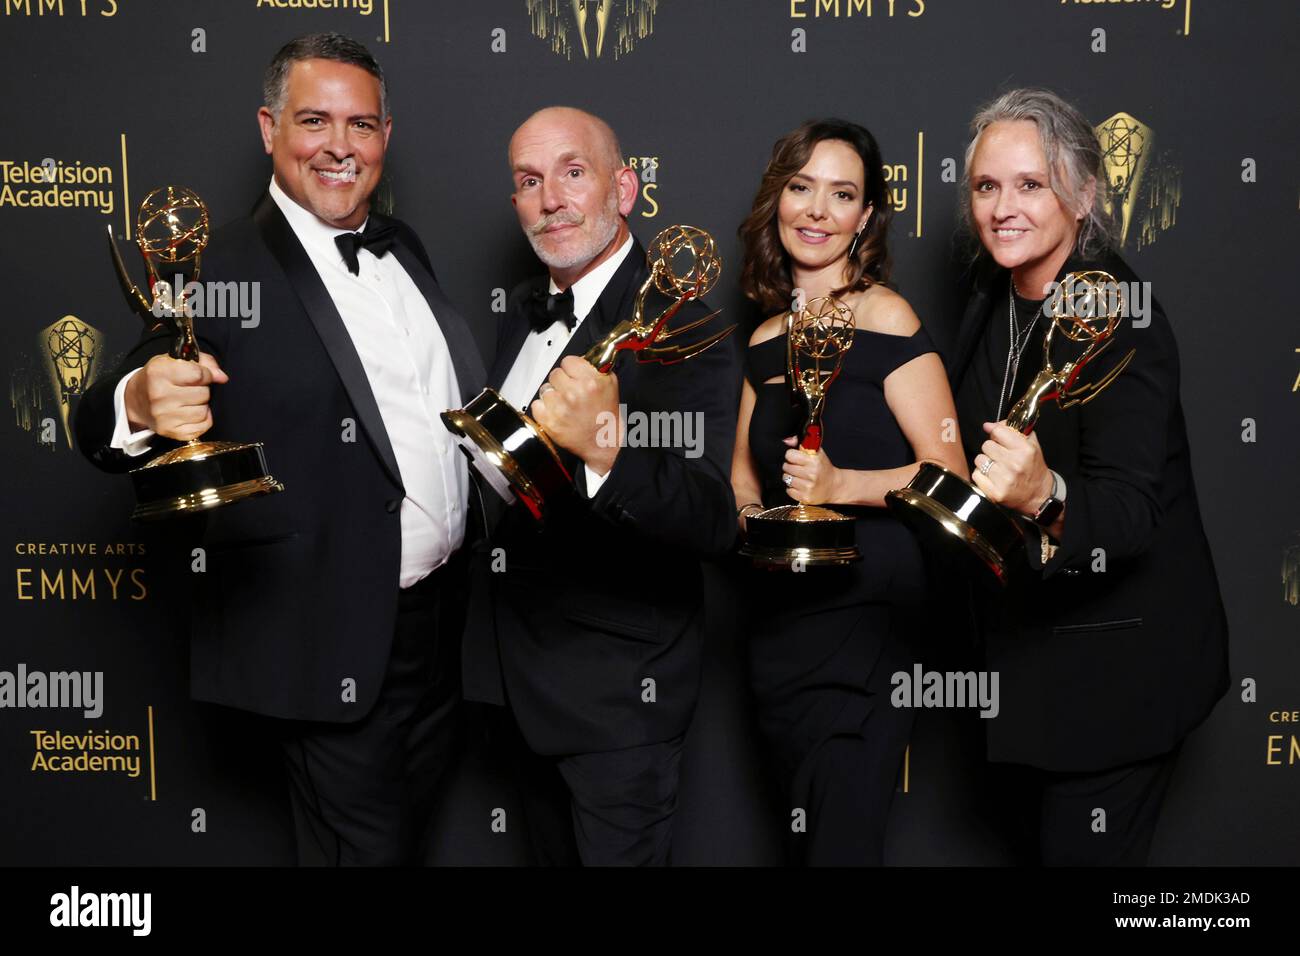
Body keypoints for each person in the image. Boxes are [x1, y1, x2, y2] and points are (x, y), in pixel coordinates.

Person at [74, 33, 485, 866]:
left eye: (361, 125)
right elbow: (98, 418)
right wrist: (140, 399)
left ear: (386, 136)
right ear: (268, 129)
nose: (340, 145)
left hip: (441, 634)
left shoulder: (404, 246)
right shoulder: (213, 262)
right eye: (314, 121)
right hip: (325, 638)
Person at [948, 88, 1229, 865]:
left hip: (1119, 681)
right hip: (1028, 671)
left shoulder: (1124, 317)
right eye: (986, 186)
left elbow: (1135, 513)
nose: (1003, 208)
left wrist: (1044, 493)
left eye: (1030, 185)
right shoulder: (991, 291)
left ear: (1083, 196)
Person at [461, 106, 740, 866]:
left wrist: (607, 450)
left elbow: (717, 516)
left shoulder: (685, 326)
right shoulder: (522, 314)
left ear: (625, 187)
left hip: (620, 700)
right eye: (528, 180)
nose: (549, 198)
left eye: (572, 172)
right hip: (514, 686)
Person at [731, 119, 967, 865]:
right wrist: (754, 525)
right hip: (779, 627)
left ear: (865, 217)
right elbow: (743, 470)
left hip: (868, 624)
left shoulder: (888, 316)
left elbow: (949, 473)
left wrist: (843, 485)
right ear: (778, 199)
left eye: (842, 195)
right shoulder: (767, 336)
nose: (816, 210)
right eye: (801, 188)